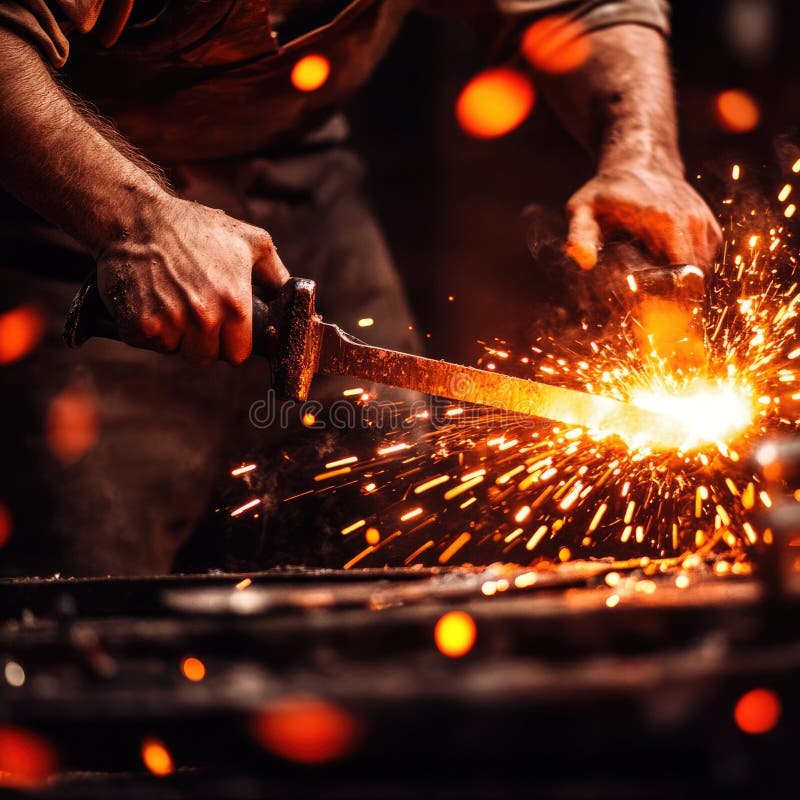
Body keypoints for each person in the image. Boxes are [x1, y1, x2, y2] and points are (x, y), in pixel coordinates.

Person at [0, 0, 721, 576]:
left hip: (304, 174)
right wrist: (136, 222)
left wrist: (643, 152)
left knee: (405, 532)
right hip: (70, 189)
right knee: (81, 584)